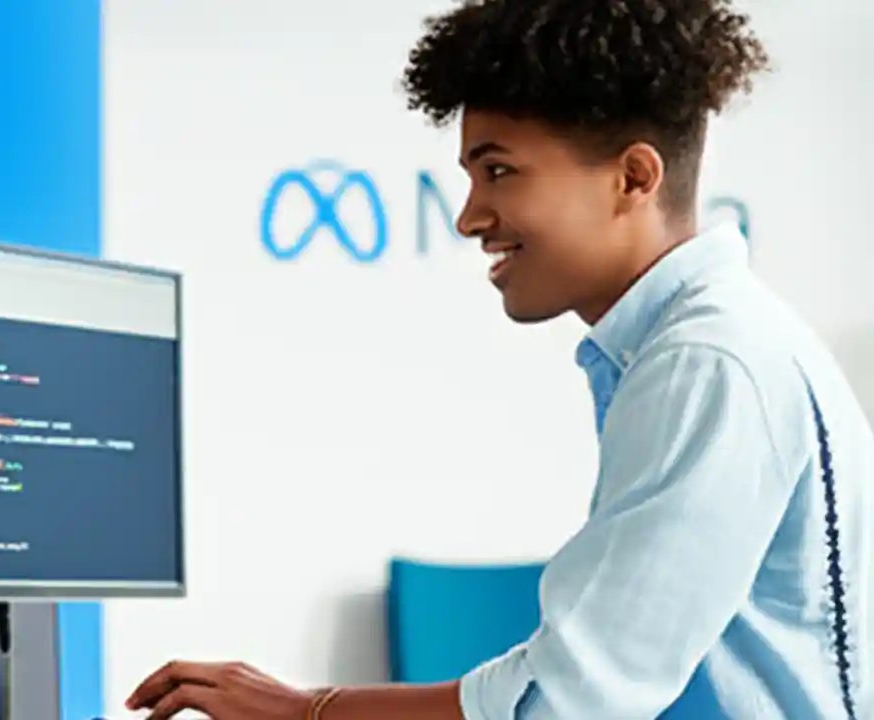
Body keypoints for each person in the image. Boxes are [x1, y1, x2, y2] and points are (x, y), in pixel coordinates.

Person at [126, 0, 872, 717]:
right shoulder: (697, 346)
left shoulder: (707, 362)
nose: (469, 216)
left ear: (633, 179)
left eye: (500, 172)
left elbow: (568, 703)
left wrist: (305, 711)